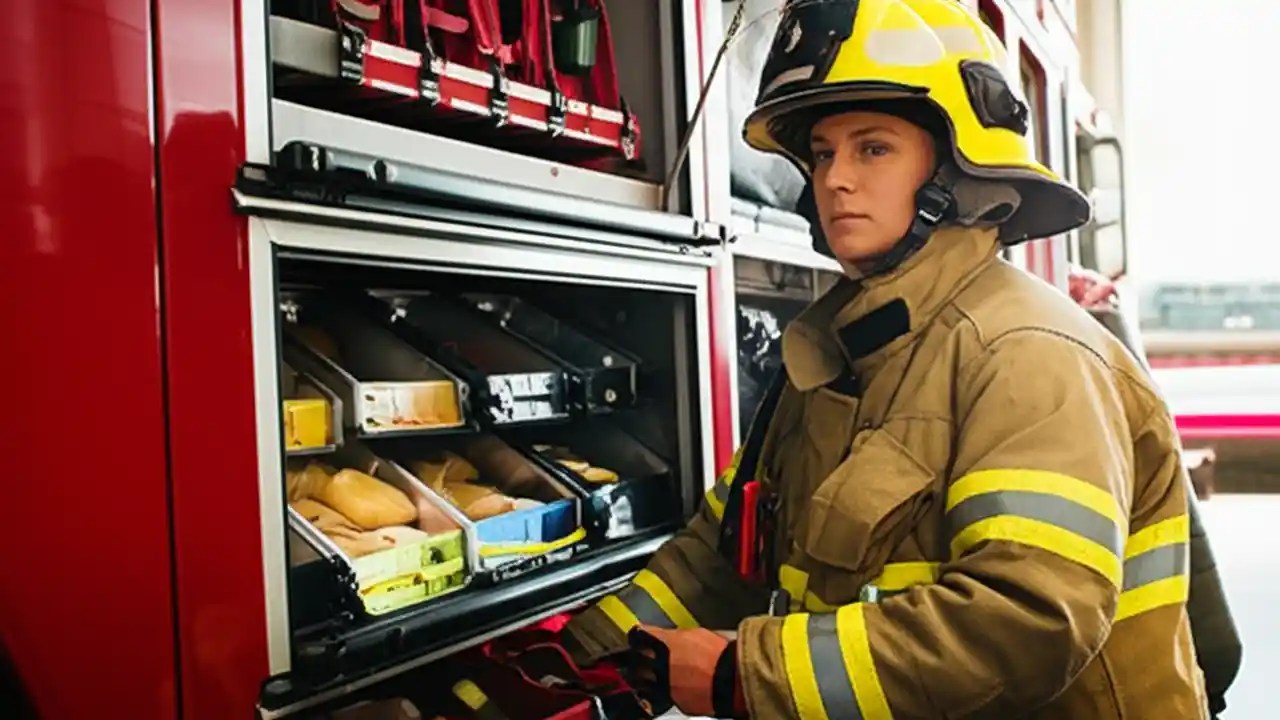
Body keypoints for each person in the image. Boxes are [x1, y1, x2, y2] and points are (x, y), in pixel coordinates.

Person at [564, 0, 1217, 718]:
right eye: (822, 153)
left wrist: (742, 675)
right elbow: (717, 559)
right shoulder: (837, 359)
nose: (835, 179)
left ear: (956, 171)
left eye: (873, 149)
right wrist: (571, 667)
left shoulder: (1027, 355)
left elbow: (1026, 619)